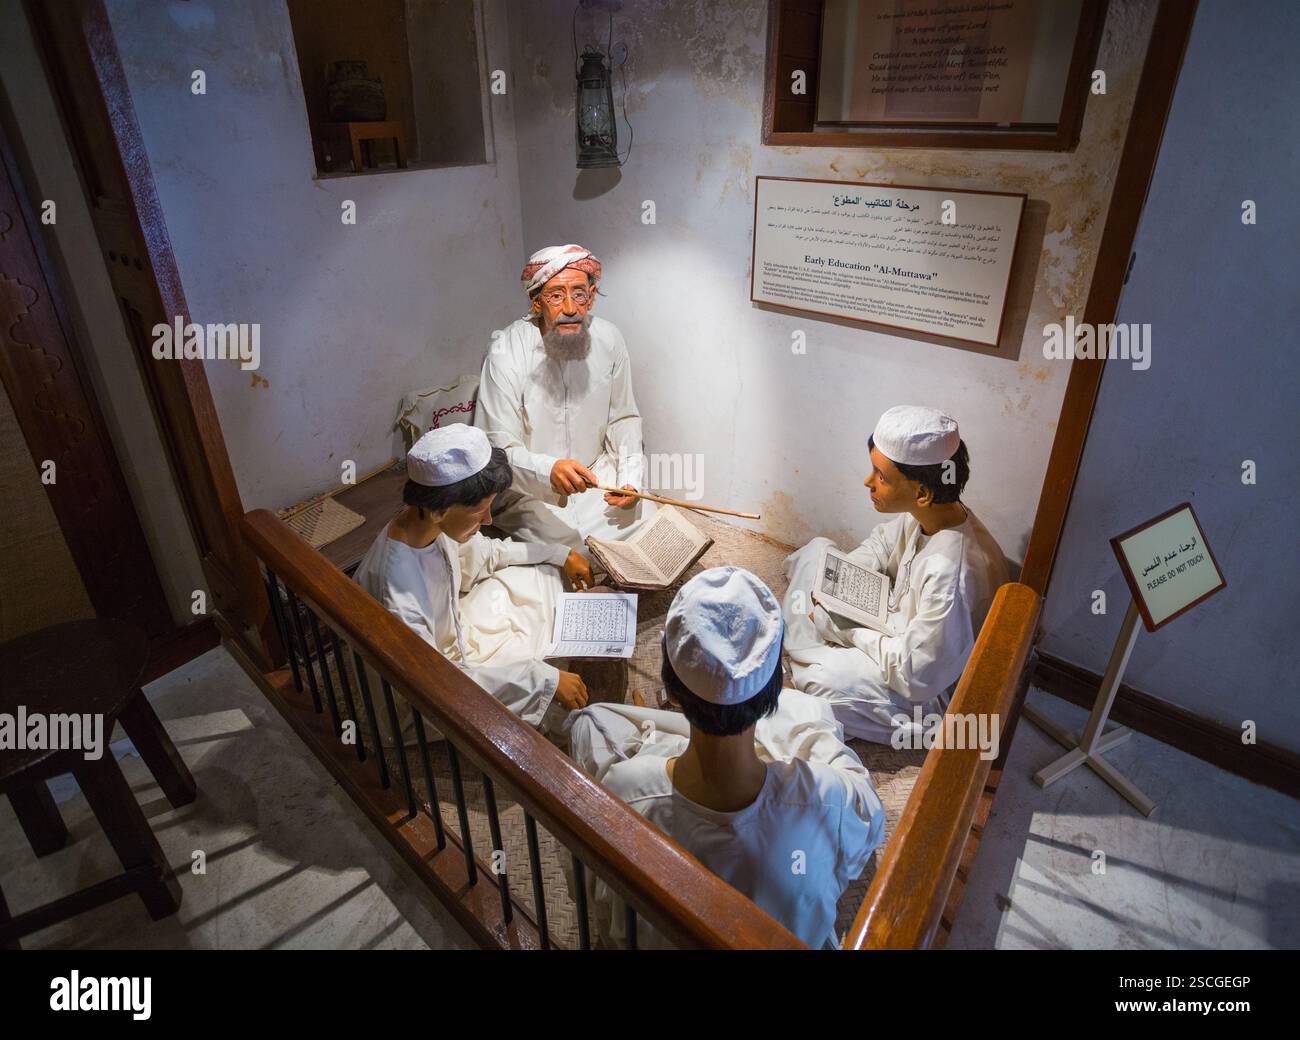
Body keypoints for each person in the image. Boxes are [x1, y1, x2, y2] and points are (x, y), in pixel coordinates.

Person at [565, 566, 886, 949]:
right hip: (765, 743)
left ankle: (658, 735)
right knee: (812, 713)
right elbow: (868, 817)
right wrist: (808, 731)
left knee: (591, 721)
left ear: (672, 687)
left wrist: (650, 746)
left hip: (663, 766)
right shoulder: (825, 797)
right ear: (773, 692)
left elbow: (593, 897)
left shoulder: (624, 792)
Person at [781, 406, 1009, 745]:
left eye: (881, 477)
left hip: (924, 692)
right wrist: (839, 586)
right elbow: (880, 545)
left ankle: (801, 653)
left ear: (921, 492)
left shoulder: (950, 574)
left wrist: (852, 631)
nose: (867, 482)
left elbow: (917, 675)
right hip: (889, 624)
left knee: (825, 678)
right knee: (819, 550)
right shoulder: (933, 514)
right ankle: (809, 643)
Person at [353, 424, 593, 743]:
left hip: (456, 635)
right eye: (480, 511)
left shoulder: (427, 526)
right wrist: (544, 681)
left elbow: (487, 552)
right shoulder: (397, 592)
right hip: (428, 699)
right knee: (547, 710)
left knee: (545, 572)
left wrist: (560, 554)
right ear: (439, 510)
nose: (489, 521)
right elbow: (435, 685)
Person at [473, 243, 654, 549]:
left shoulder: (609, 338)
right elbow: (496, 449)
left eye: (579, 294)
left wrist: (629, 478)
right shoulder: (505, 352)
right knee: (573, 546)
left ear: (592, 297)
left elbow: (623, 416)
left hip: (598, 475)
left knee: (649, 518)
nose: (570, 308)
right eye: (556, 295)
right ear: (536, 302)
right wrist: (548, 470)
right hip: (530, 489)